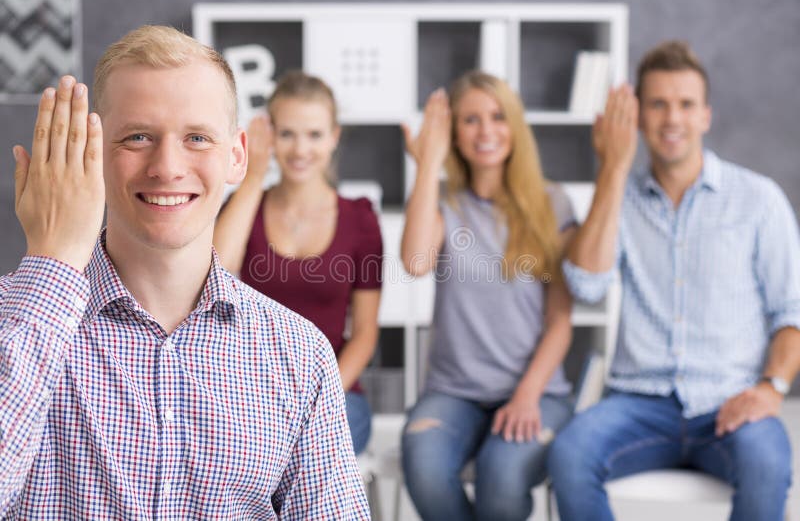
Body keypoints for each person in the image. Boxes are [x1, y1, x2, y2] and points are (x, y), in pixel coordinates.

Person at [0, 25, 369, 519]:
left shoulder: (299, 356)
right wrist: (55, 256)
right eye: (138, 137)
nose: (168, 166)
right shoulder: (16, 319)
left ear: (237, 156)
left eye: (196, 137)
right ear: (93, 150)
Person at [548, 40, 800, 521]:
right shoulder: (617, 200)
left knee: (768, 466)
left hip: (731, 400)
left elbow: (792, 312)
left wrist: (771, 387)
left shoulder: (759, 200)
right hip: (638, 403)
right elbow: (586, 284)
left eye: (686, 104)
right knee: (569, 456)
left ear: (706, 115)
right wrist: (613, 169)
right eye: (658, 104)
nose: (672, 119)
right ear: (638, 116)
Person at [399, 71, 576, 521]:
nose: (485, 131)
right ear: (454, 133)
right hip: (453, 393)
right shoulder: (442, 203)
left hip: (536, 391)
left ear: (515, 125)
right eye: (470, 120)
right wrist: (426, 165)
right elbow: (416, 262)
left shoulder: (553, 203)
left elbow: (560, 320)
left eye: (497, 117)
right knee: (424, 465)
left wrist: (527, 395)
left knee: (502, 477)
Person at [213, 71, 382, 456]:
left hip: (336, 392)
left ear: (334, 136)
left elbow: (365, 335)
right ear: (268, 135)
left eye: (315, 135)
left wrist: (317, 398)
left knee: (306, 456)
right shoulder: (245, 208)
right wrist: (253, 176)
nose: (300, 149)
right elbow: (214, 271)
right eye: (287, 134)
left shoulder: (360, 219)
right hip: (252, 392)